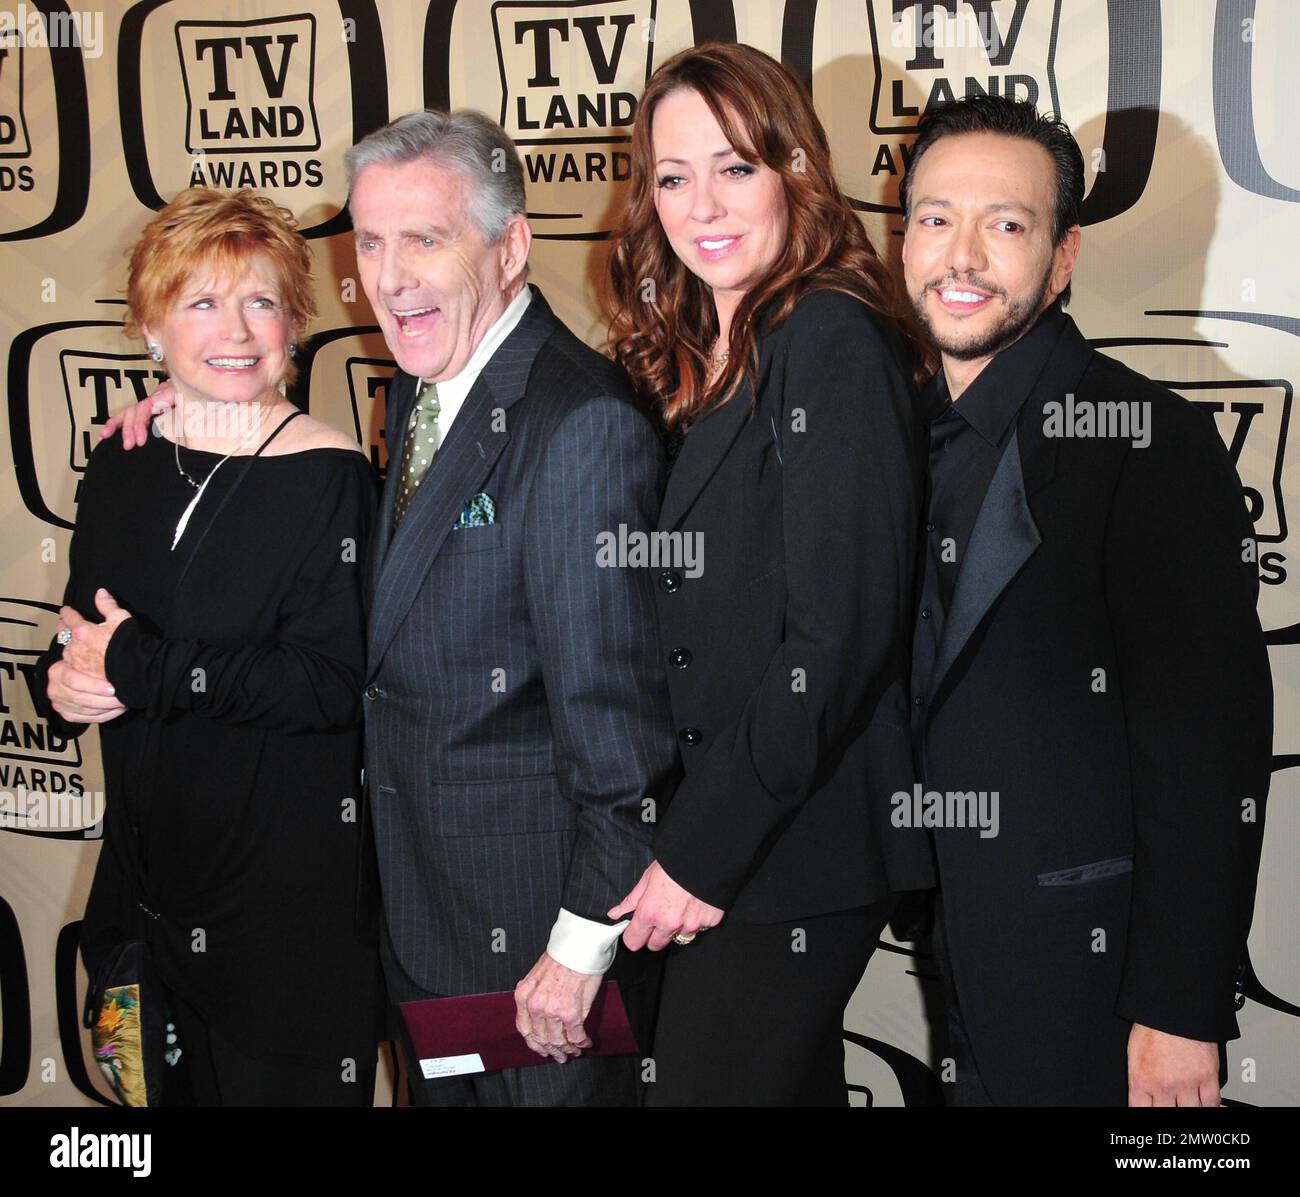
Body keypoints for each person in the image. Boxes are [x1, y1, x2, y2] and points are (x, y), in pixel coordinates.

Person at [114, 112, 679, 1106]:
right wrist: (186, 411)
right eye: (370, 242)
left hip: (535, 956)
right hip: (420, 926)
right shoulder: (420, 385)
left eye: (426, 238)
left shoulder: (579, 425)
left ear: (509, 248)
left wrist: (580, 950)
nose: (389, 274)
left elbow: (620, 737)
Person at [899, 94, 1271, 1106]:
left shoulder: (1144, 444)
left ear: (1062, 258)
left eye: (1004, 224)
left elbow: (1208, 757)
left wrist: (1180, 1008)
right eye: (934, 218)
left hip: (1098, 983)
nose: (961, 254)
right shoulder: (888, 437)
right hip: (945, 952)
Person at [603, 43, 936, 1106]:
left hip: (793, 842)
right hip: (739, 834)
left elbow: (838, 639)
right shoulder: (708, 341)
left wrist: (702, 855)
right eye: (671, 175)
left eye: (735, 166)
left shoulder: (829, 335)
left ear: (794, 169)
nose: (701, 203)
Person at [37, 187, 382, 1106]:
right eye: (201, 302)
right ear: (152, 327)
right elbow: (81, 633)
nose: (235, 329)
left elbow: (331, 686)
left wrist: (136, 667)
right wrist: (63, 686)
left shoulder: (332, 477)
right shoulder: (118, 460)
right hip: (138, 916)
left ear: (295, 325)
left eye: (261, 300)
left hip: (284, 936)